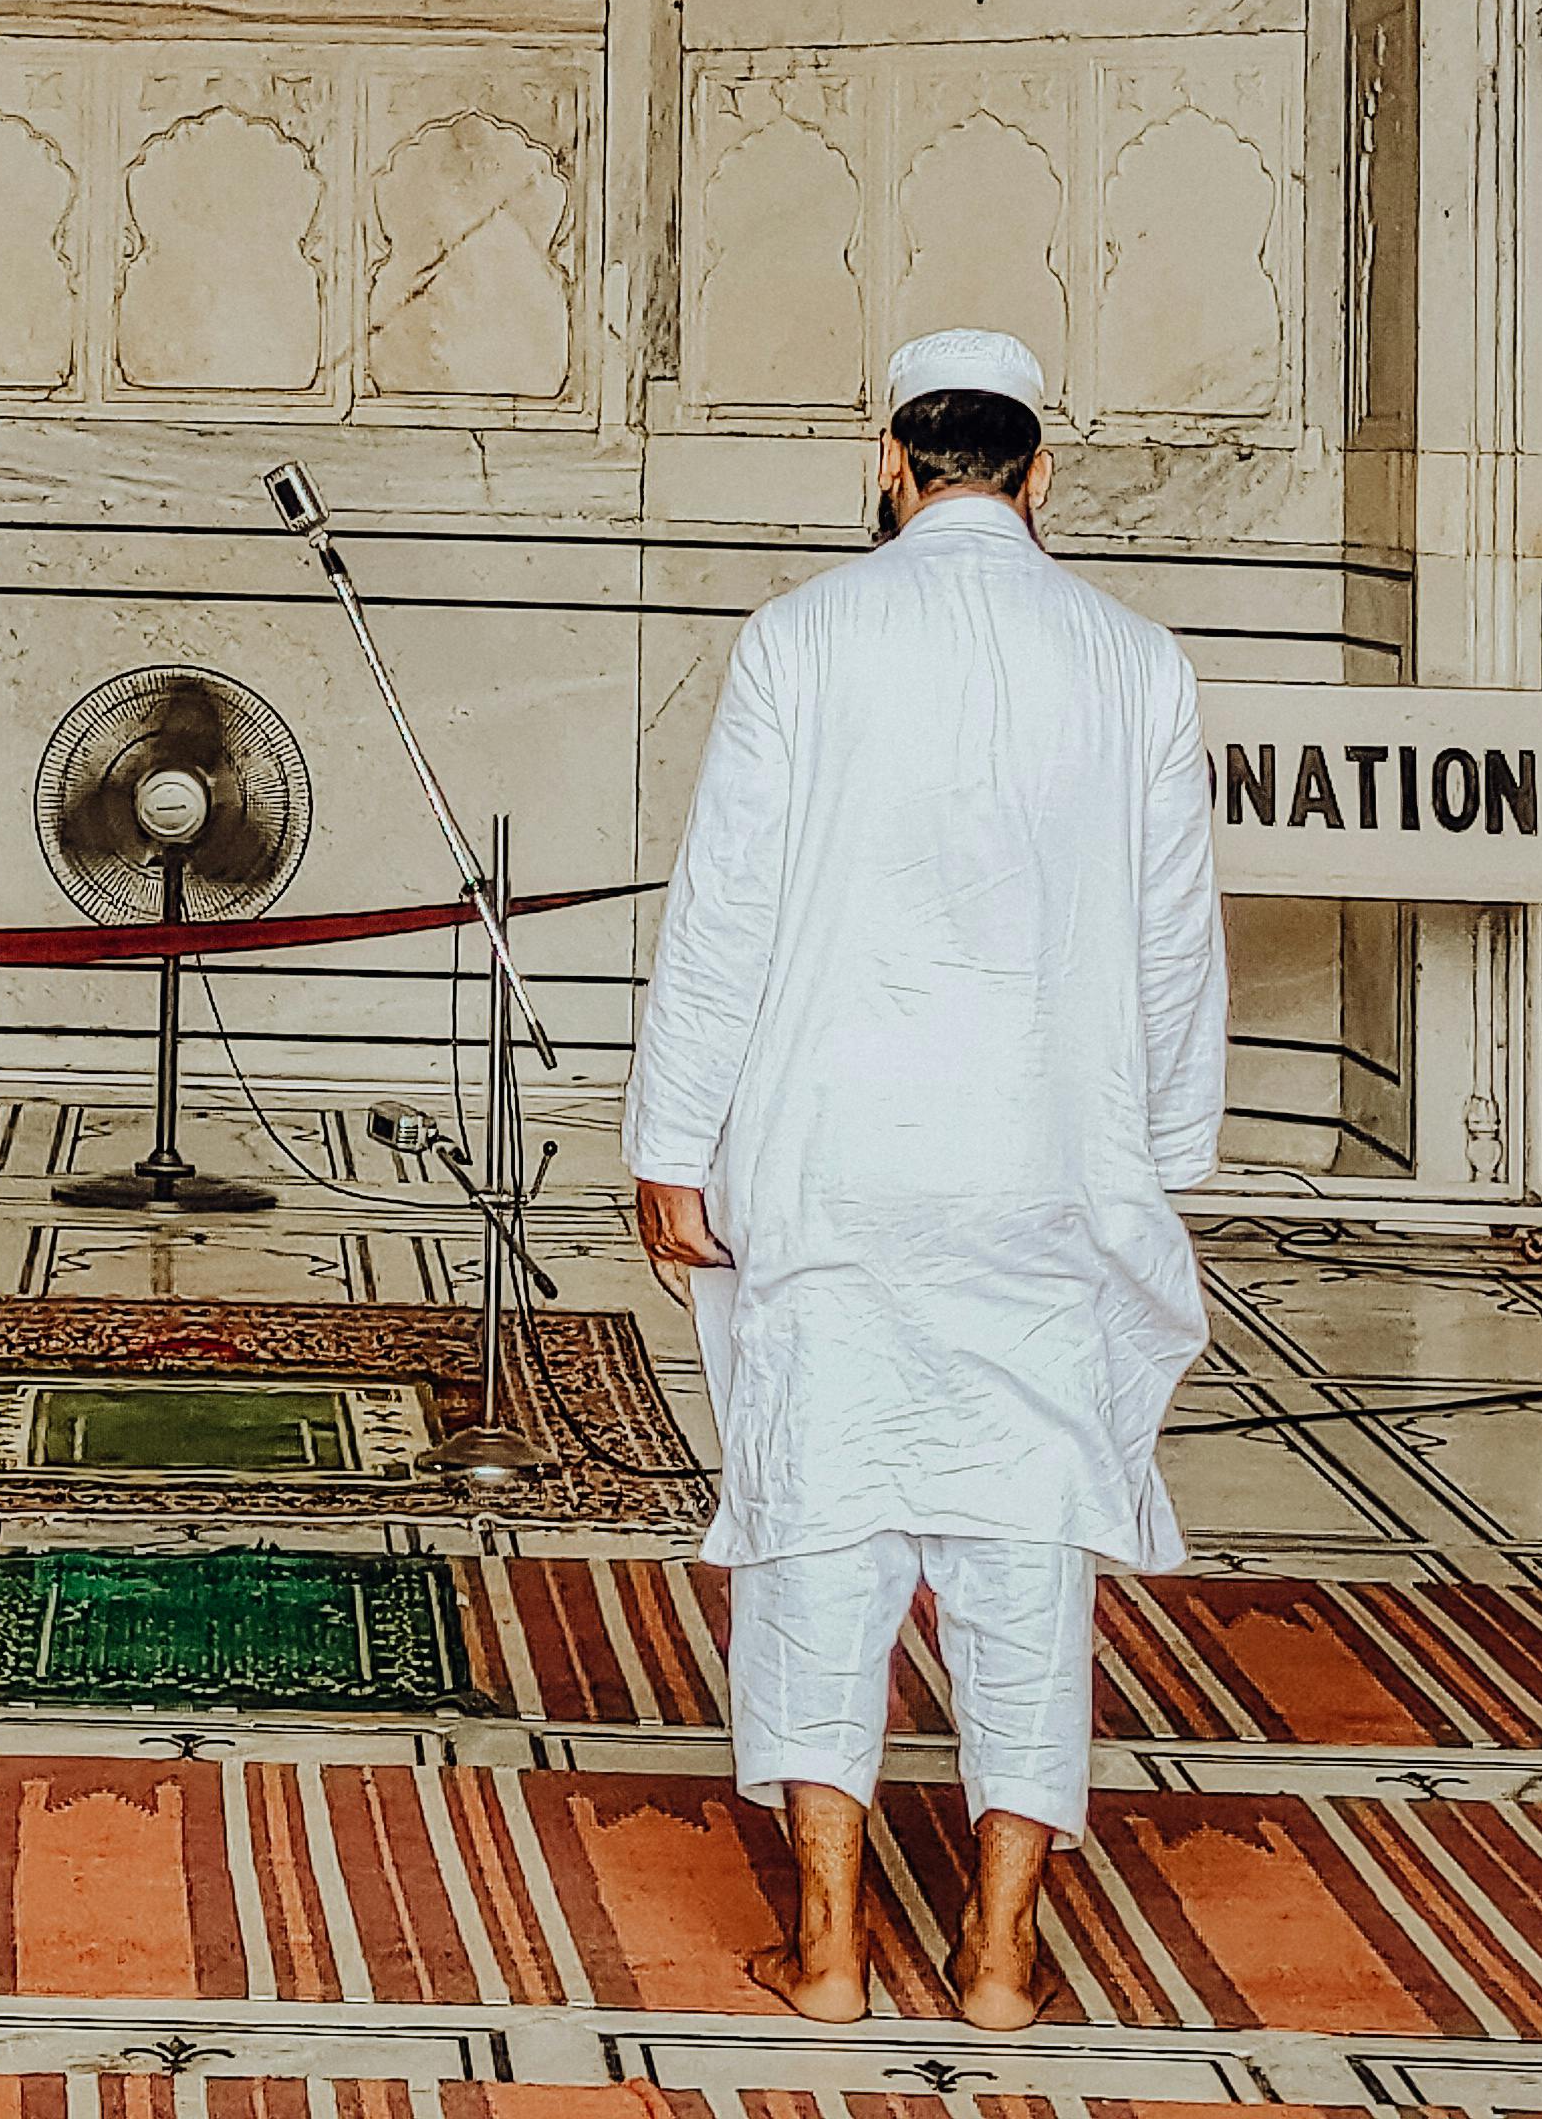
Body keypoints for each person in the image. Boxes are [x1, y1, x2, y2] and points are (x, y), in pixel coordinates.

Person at [625, 327, 1226, 2036]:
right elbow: (1177, 936)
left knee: (821, 1526)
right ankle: (999, 1958)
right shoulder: (1131, 661)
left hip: (828, 1167)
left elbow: (722, 911)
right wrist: (1159, 1158)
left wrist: (673, 1142)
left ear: (893, 468)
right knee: (1027, 1546)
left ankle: (823, 1953)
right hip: (1047, 1172)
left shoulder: (802, 637)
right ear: (1038, 477)